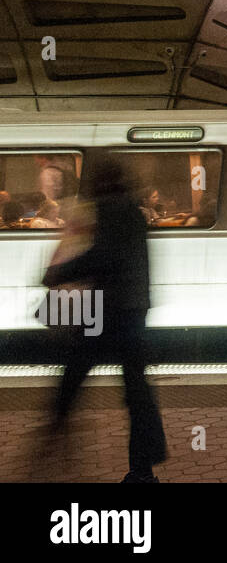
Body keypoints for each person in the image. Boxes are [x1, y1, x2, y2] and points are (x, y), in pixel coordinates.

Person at [40, 158, 167, 483]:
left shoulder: (110, 209)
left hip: (108, 311)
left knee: (73, 379)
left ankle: (46, 450)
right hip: (134, 311)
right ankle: (142, 472)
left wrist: (59, 273)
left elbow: (103, 256)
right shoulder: (132, 211)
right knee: (137, 394)